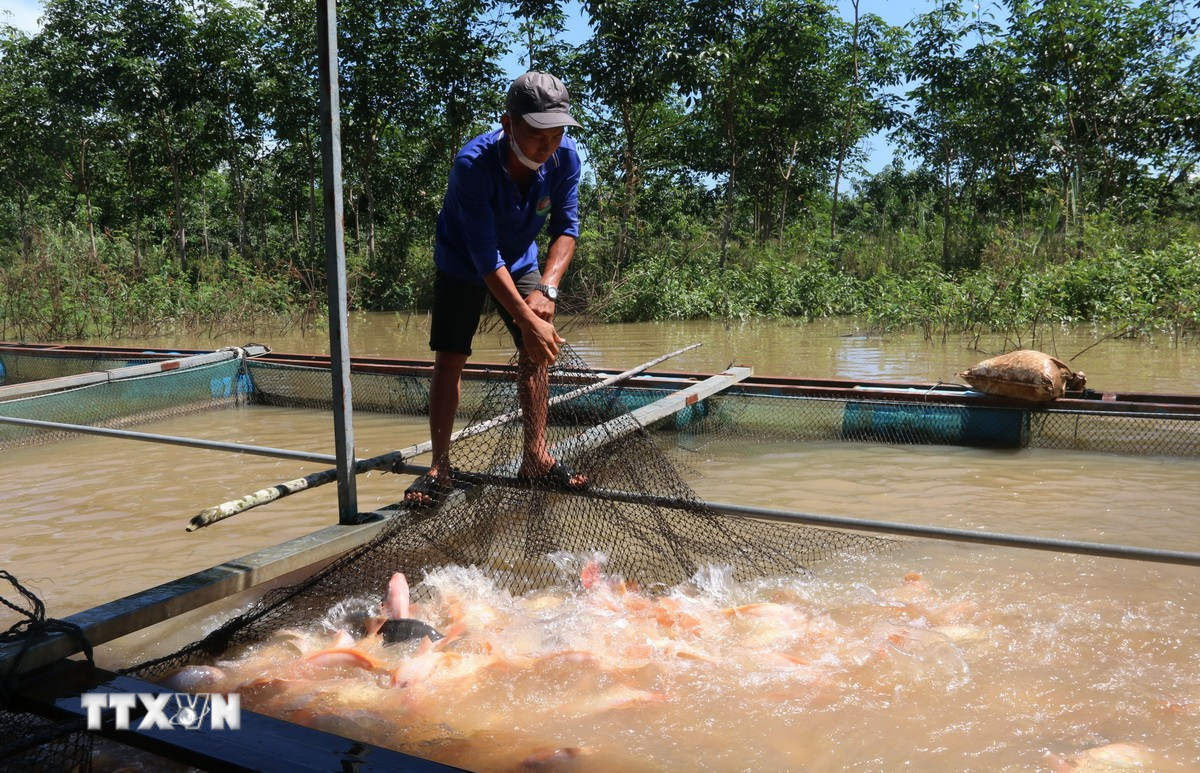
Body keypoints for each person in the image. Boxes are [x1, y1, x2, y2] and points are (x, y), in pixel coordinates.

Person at [405, 71, 589, 508]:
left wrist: (546, 290)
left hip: (522, 260)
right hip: (463, 261)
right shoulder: (473, 164)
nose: (549, 144)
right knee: (451, 357)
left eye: (557, 131)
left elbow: (567, 228)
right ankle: (439, 465)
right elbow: (485, 257)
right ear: (509, 125)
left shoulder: (565, 158)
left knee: (537, 349)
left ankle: (536, 455)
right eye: (537, 133)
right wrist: (526, 319)